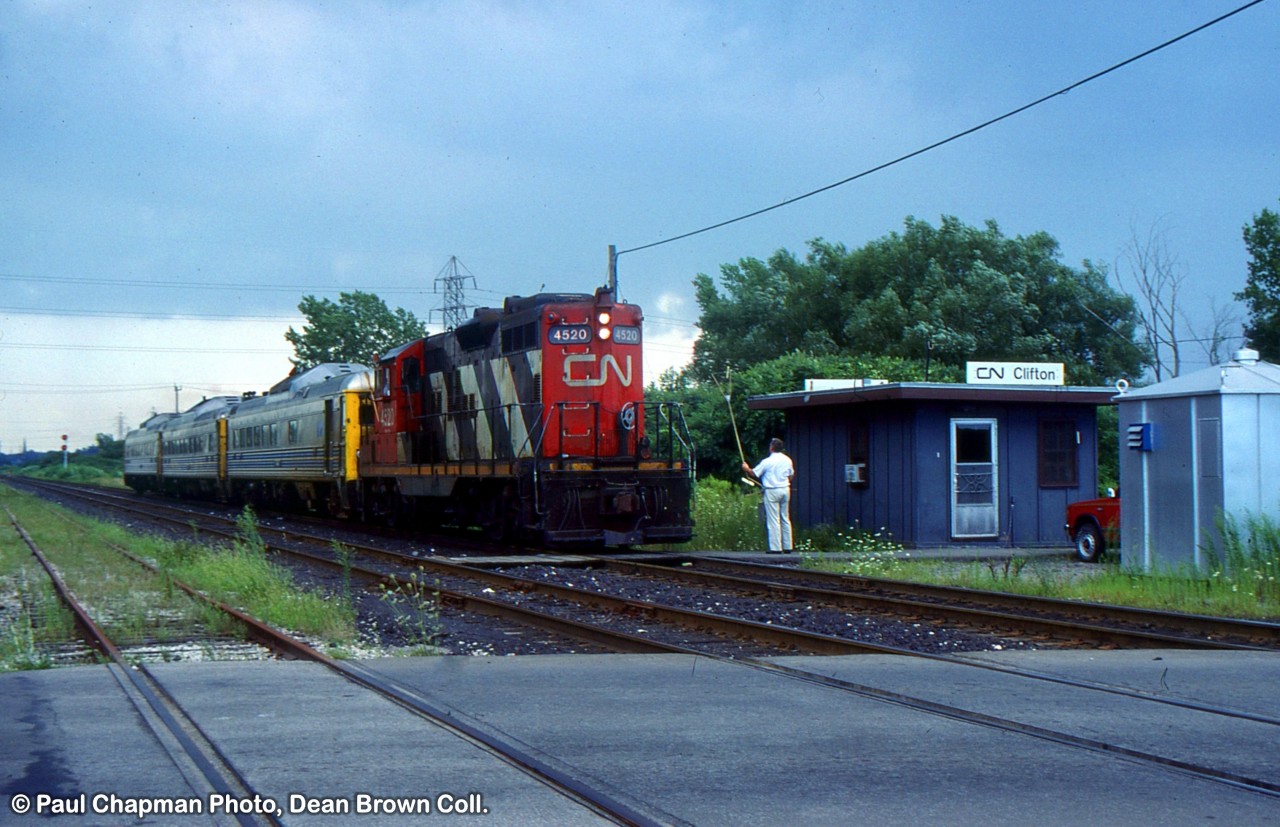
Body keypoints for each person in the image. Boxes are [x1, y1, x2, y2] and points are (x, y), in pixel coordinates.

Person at [742, 438, 794, 553]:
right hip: (785, 489)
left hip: (772, 490)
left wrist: (746, 468)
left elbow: (753, 473)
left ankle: (776, 548)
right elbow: (791, 475)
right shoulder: (787, 460)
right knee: (785, 518)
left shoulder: (767, 461)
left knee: (773, 519)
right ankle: (788, 546)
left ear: (771, 448)